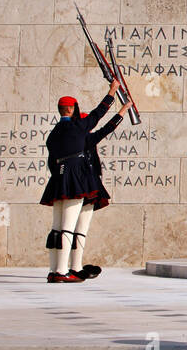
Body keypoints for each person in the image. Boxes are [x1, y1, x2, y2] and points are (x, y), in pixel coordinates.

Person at [39, 79, 119, 283]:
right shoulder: (79, 128)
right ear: (73, 109)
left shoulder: (53, 134)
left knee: (57, 228)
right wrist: (113, 93)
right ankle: (61, 272)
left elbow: (51, 163)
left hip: (58, 180)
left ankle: (55, 269)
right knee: (68, 227)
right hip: (75, 180)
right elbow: (98, 115)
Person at [68, 97, 132, 281]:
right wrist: (123, 111)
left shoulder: (69, 137)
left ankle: (68, 266)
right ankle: (75, 266)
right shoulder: (86, 138)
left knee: (71, 228)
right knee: (78, 228)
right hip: (87, 186)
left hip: (73, 185)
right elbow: (108, 128)